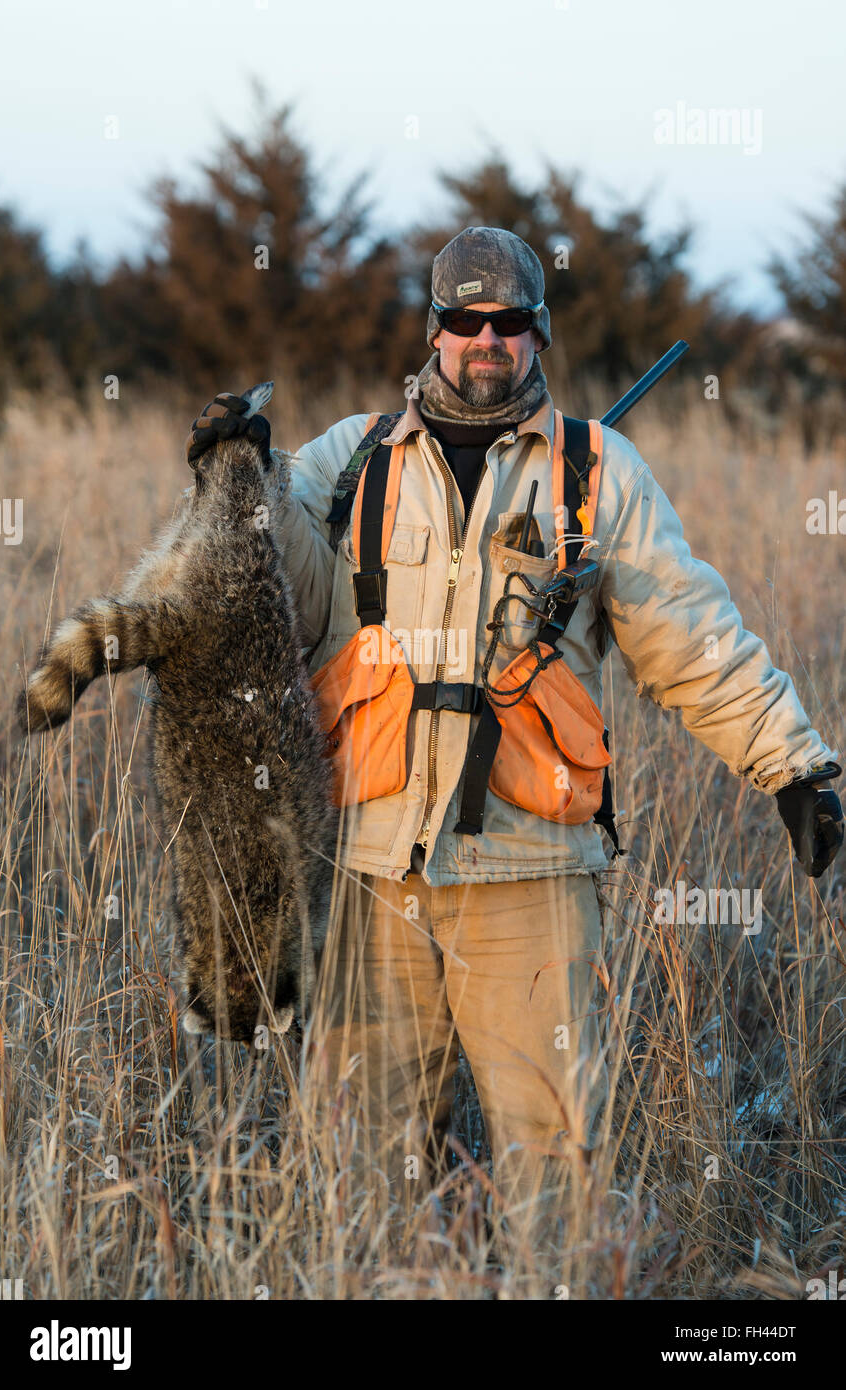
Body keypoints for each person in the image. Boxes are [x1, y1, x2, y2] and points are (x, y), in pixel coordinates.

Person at [186, 225, 843, 1222]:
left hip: (530, 871)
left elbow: (690, 637)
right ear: (434, 329)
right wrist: (231, 475)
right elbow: (262, 586)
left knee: (553, 1166)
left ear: (537, 331)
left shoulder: (597, 470)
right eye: (463, 317)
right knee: (356, 1167)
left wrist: (791, 768)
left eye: (506, 320)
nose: (482, 338)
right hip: (370, 868)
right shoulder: (349, 458)